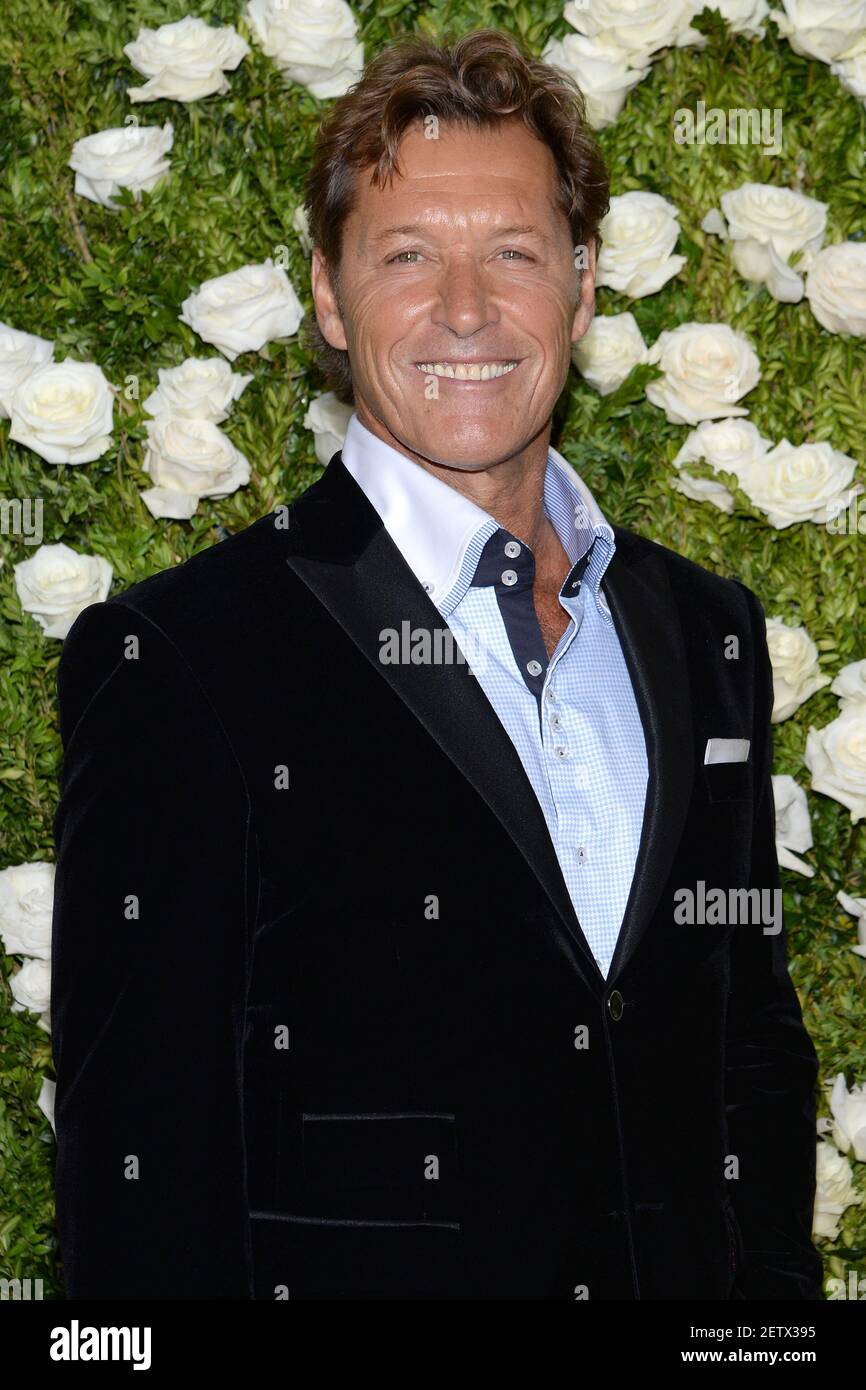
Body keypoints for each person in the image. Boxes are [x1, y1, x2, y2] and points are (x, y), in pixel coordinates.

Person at [51, 28, 822, 1300]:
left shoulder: (703, 631)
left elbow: (745, 1048)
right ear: (328, 295)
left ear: (579, 290)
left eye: (512, 255)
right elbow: (141, 1162)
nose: (465, 311)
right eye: (407, 257)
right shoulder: (186, 655)